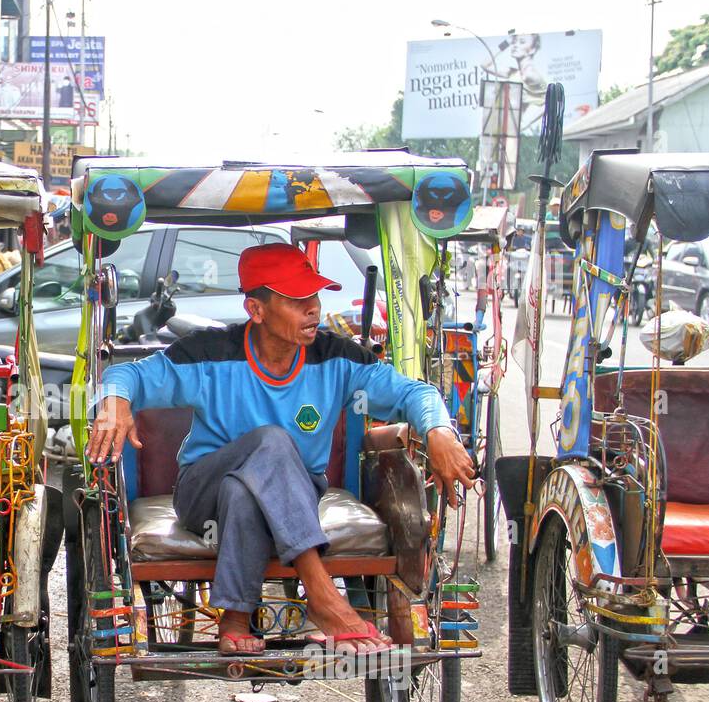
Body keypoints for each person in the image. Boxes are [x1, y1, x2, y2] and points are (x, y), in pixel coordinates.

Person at [88, 242, 475, 656]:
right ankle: (322, 596)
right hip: (202, 493)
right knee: (270, 440)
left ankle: (235, 618)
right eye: (296, 300)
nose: (313, 308)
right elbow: (128, 375)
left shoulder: (336, 358)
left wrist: (438, 430)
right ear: (256, 310)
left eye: (314, 296)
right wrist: (114, 401)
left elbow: (411, 392)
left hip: (295, 495)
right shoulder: (209, 355)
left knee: (246, 489)